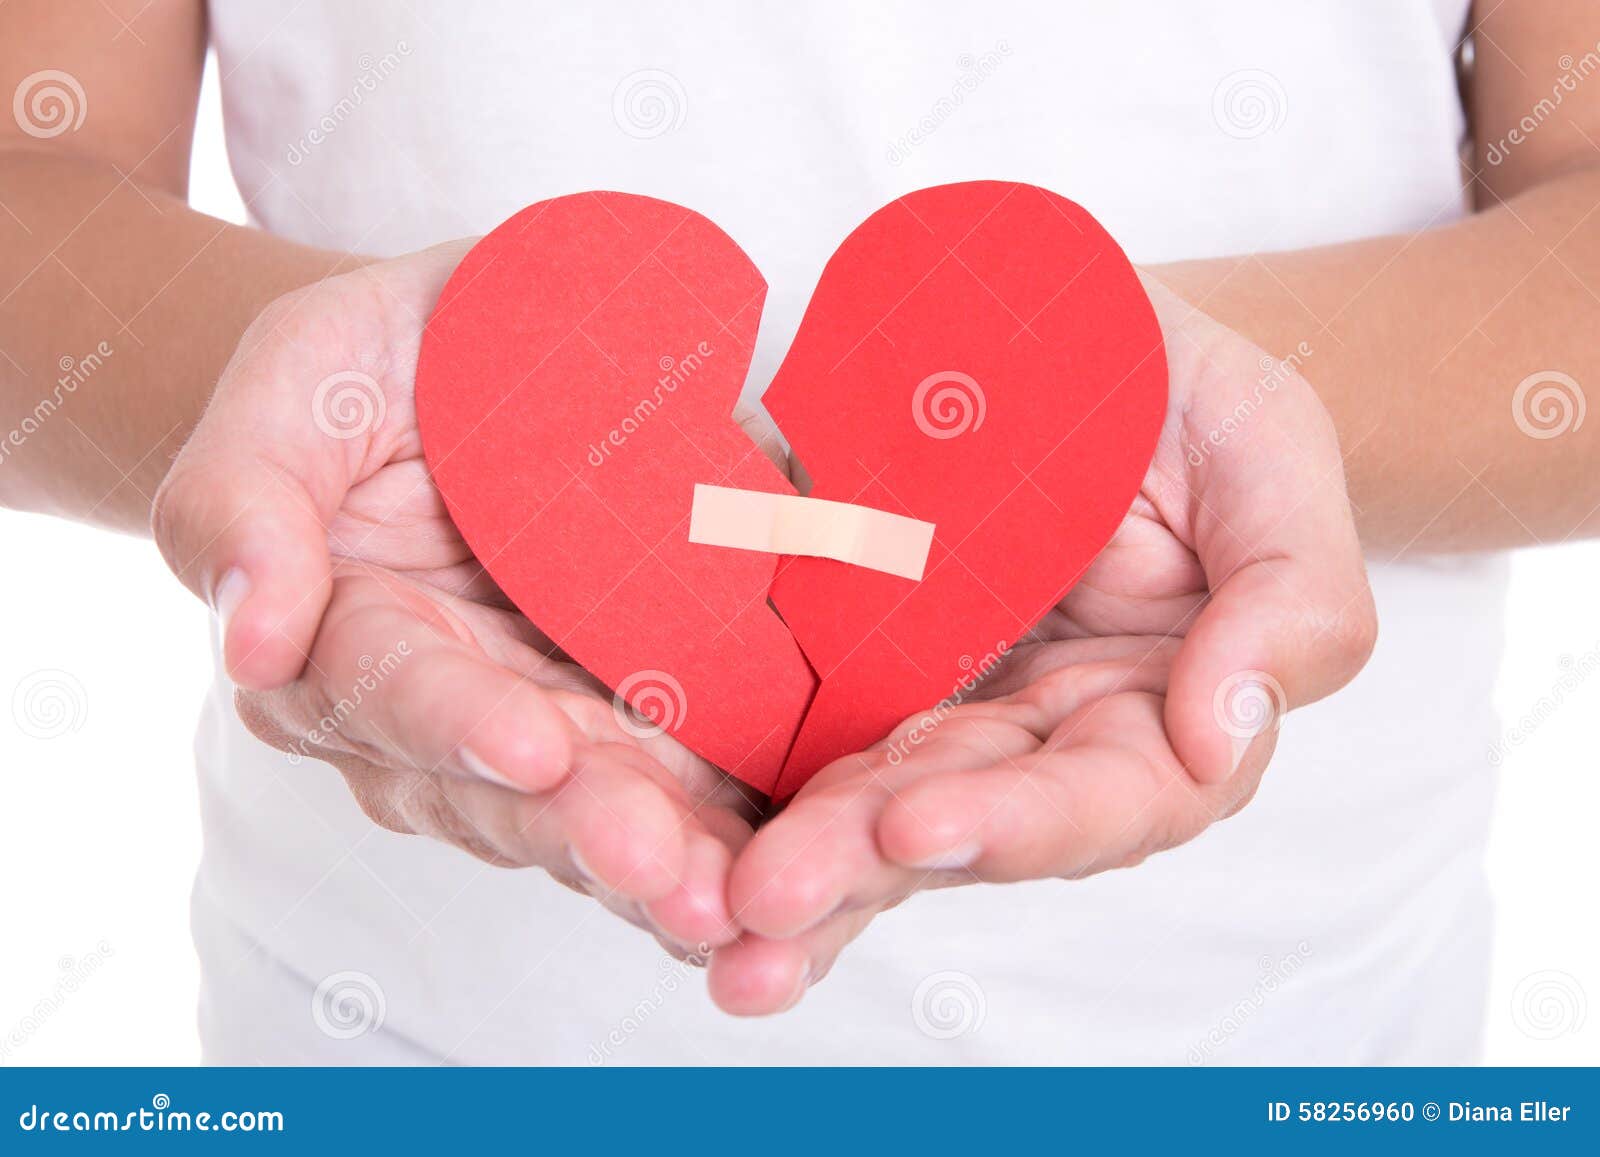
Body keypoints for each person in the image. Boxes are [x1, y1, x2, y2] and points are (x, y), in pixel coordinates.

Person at [0, 0, 1590, 1064]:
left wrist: (1095, 410)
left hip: (1294, 1039)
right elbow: (28, 179)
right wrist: (412, 417)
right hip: (391, 1036)